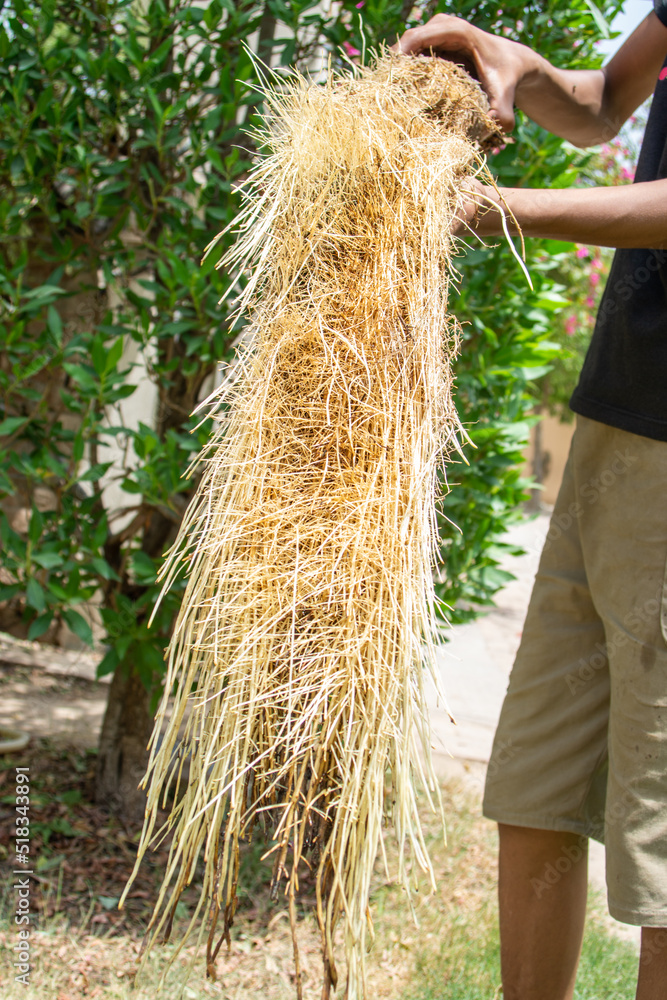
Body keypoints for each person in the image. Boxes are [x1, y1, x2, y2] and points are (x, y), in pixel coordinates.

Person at [396, 7, 667, 1000]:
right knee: (538, 786)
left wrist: (495, 205)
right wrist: (518, 63)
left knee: (662, 852)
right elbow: (600, 106)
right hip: (614, 426)